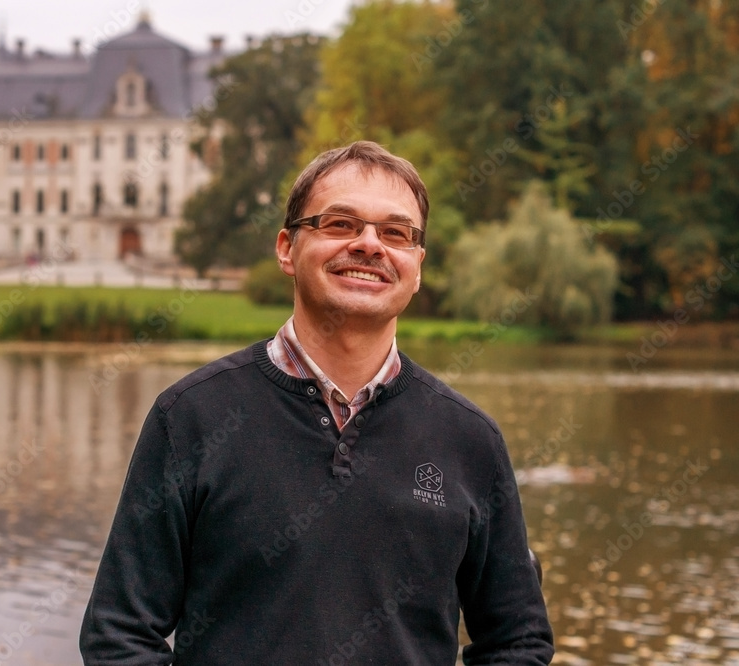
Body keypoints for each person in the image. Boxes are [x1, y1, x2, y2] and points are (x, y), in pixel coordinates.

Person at [80, 141, 554, 665]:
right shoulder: (190, 417)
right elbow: (119, 638)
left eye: (395, 232)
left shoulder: (470, 439)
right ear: (287, 248)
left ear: (416, 265)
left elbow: (517, 642)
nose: (370, 245)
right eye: (340, 224)